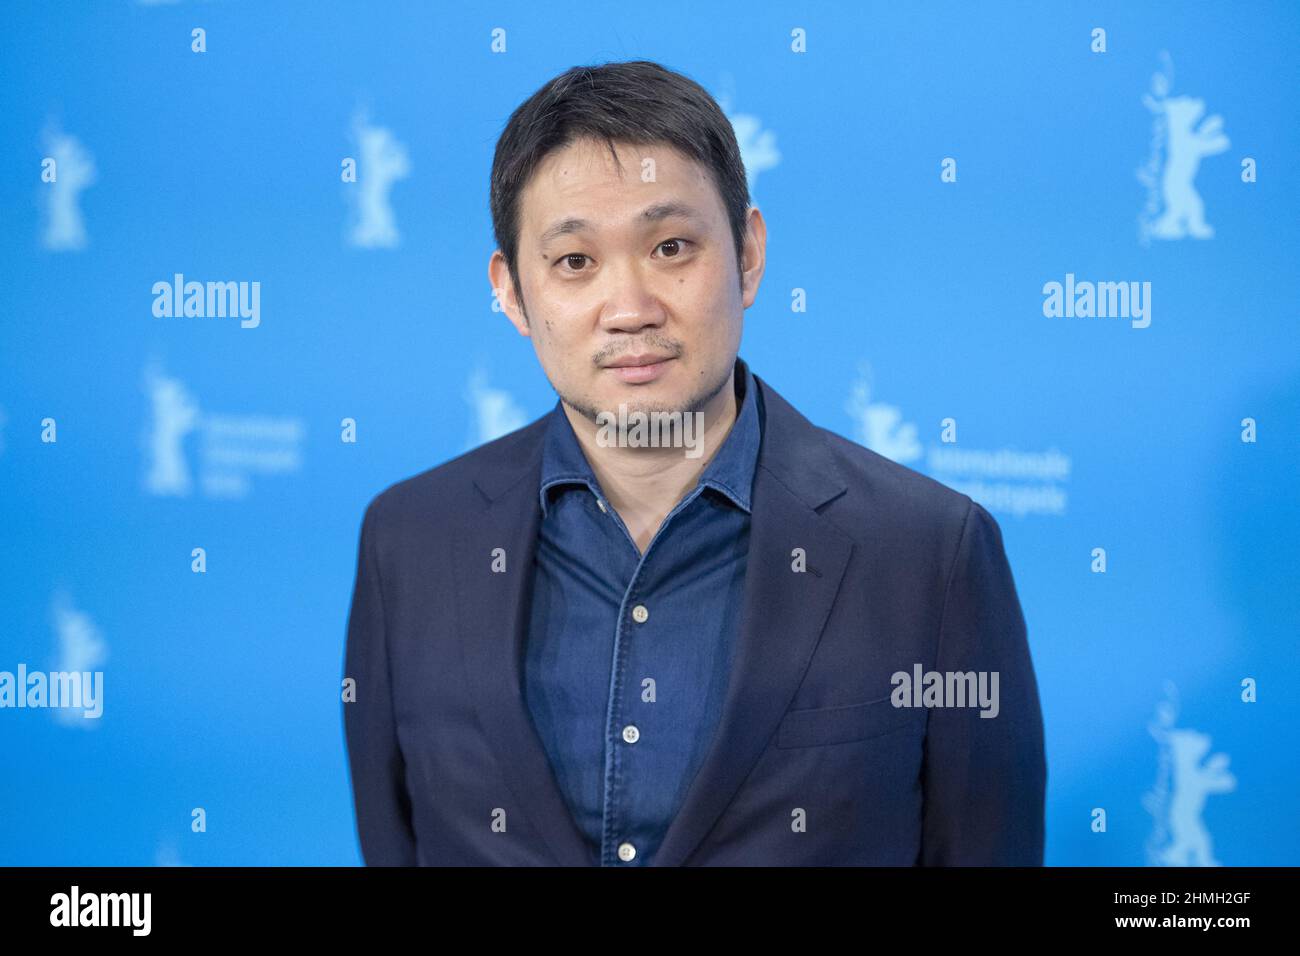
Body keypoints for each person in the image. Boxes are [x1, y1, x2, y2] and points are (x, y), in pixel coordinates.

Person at [343, 59, 1046, 866]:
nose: (632, 309)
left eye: (671, 246)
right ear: (511, 292)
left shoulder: (929, 550)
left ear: (748, 253)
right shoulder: (410, 540)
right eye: (575, 262)